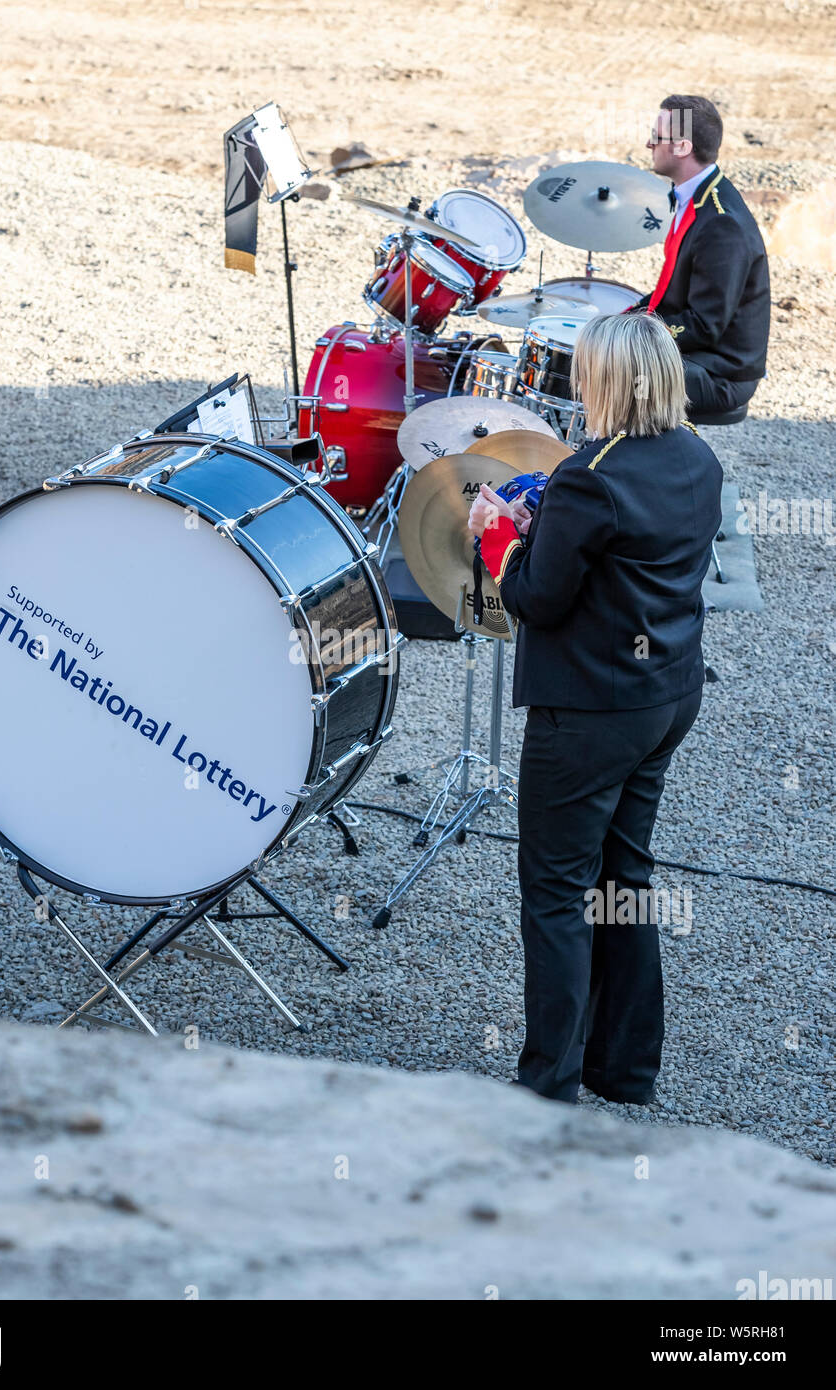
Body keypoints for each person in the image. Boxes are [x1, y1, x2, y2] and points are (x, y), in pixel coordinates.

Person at [467, 311, 722, 1105]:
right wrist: (548, 529)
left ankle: (547, 1087)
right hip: (665, 698)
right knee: (623, 877)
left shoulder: (590, 474)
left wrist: (495, 539)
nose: (576, 383)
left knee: (555, 891)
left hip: (588, 713)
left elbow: (539, 600)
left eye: (584, 371)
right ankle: (625, 1068)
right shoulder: (698, 457)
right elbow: (628, 558)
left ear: (606, 380)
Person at [632, 93, 770, 418]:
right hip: (701, 352)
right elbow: (676, 293)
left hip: (721, 371)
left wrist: (631, 336)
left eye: (656, 137)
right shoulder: (698, 196)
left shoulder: (722, 223)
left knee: (614, 372)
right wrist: (621, 317)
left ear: (682, 147)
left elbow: (705, 325)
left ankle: (630, 464)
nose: (649, 144)